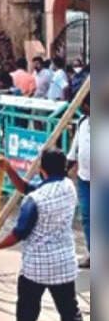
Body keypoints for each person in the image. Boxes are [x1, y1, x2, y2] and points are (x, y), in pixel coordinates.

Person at [0, 149, 90, 321]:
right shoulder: (68, 188)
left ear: (42, 168)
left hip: (37, 267)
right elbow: (26, 187)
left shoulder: (36, 200)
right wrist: (10, 170)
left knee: (27, 313)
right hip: (63, 263)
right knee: (70, 314)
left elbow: (19, 233)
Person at [67, 95, 90, 268]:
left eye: (85, 105)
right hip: (84, 177)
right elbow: (74, 151)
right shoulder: (82, 122)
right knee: (87, 217)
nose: (83, 109)